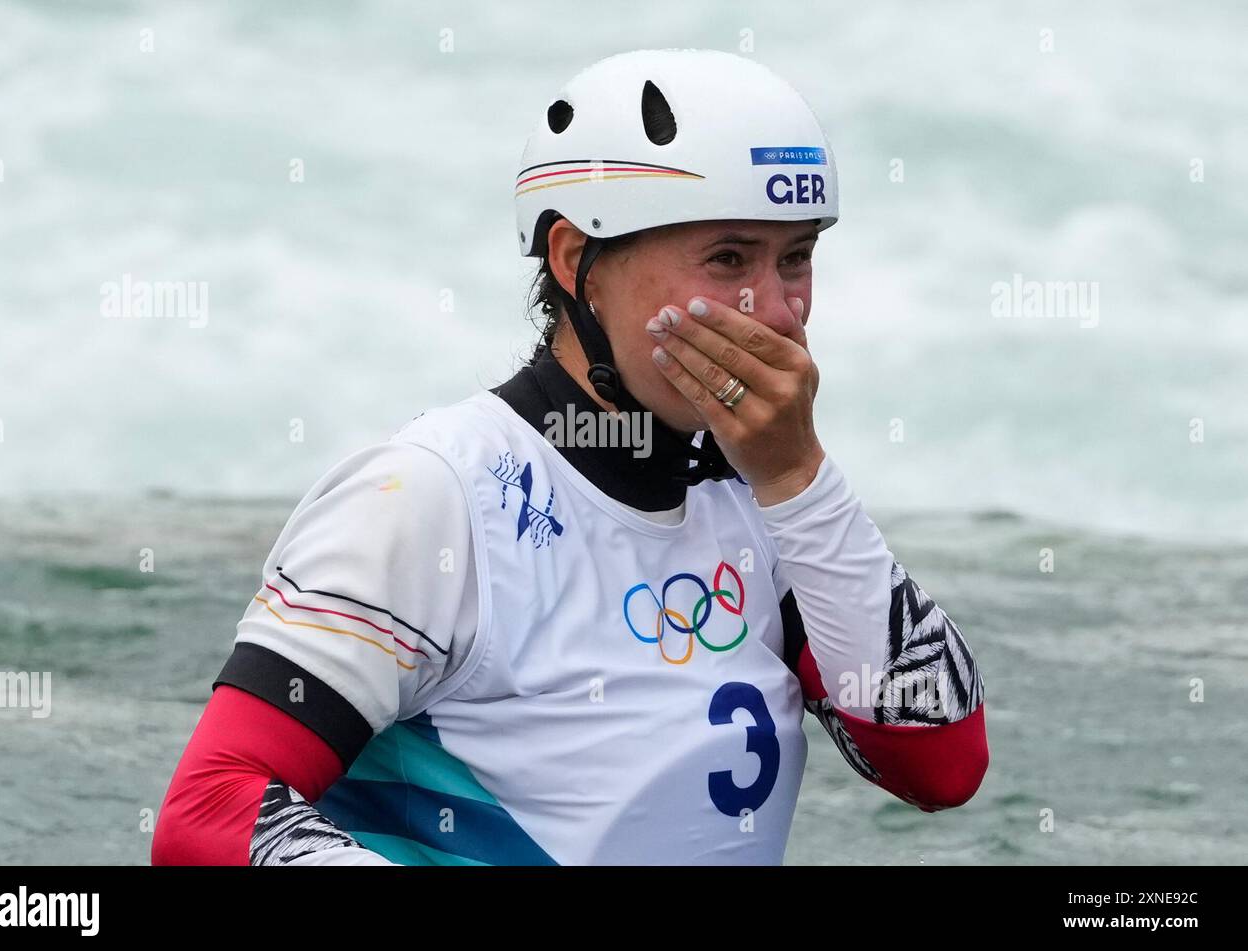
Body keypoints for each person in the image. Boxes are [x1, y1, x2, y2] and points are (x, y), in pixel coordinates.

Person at [152, 48, 988, 866]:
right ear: (577, 264)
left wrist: (800, 483)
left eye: (796, 258)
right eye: (729, 259)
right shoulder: (428, 496)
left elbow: (940, 766)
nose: (775, 312)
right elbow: (208, 811)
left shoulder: (771, 501)